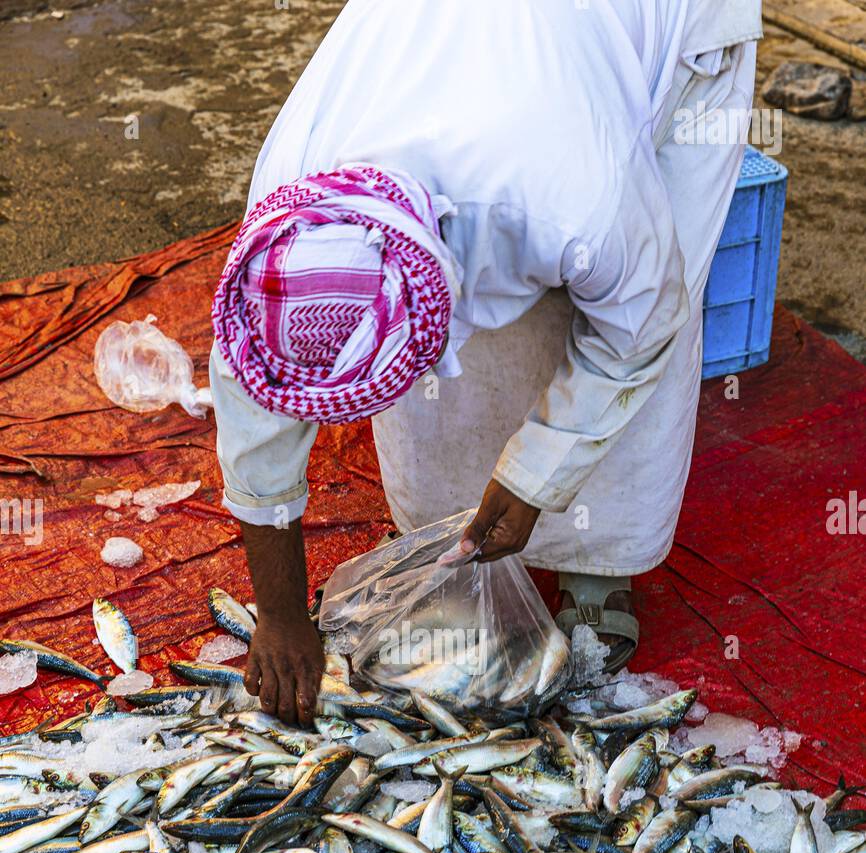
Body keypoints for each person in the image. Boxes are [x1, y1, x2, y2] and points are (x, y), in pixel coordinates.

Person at [210, 0, 762, 726]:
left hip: (667, 30)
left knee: (626, 295)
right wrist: (279, 615)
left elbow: (642, 324)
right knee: (460, 370)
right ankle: (446, 535)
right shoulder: (284, 219)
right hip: (507, 68)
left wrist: (538, 475)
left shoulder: (580, 201)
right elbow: (258, 401)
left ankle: (600, 565)